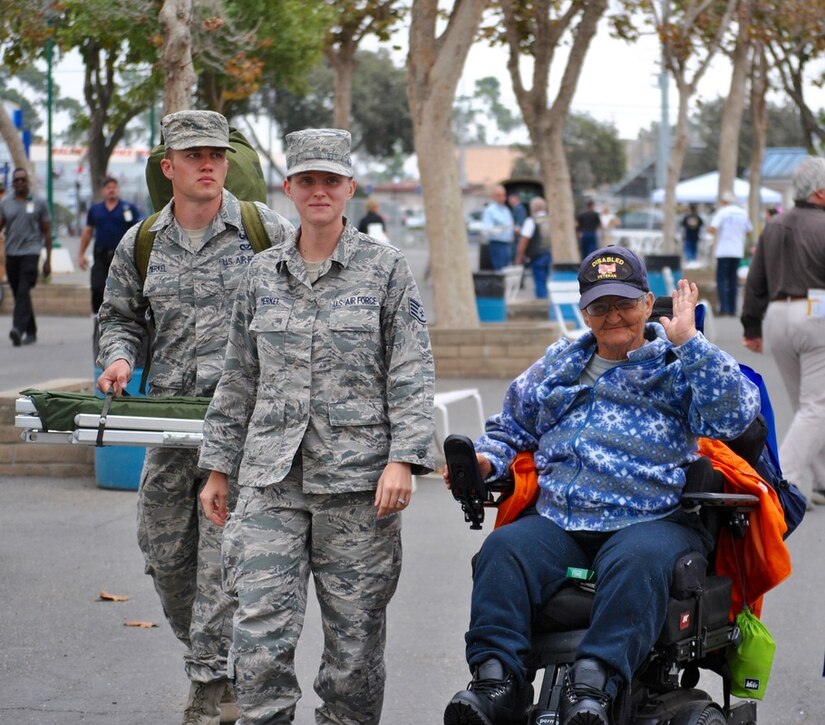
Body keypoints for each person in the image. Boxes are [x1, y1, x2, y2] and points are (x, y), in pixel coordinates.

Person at [443, 246, 760, 725]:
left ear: (647, 304)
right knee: (504, 550)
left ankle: (594, 687)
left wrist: (692, 343)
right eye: (599, 306)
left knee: (638, 559)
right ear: (584, 311)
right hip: (562, 522)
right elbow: (510, 427)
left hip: (650, 517)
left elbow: (735, 416)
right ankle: (496, 683)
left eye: (624, 304)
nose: (613, 316)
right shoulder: (559, 364)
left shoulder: (676, 364)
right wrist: (487, 461)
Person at [197, 128, 435, 724]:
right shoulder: (259, 274)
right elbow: (238, 378)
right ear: (290, 189)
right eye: (308, 181)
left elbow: (410, 368)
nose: (319, 191)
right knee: (256, 637)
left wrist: (404, 458)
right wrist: (217, 469)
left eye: (331, 180)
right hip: (270, 479)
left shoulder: (385, 269)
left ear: (350, 187)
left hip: (357, 485)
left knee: (354, 646)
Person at [96, 110, 293, 725]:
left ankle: (211, 690)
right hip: (170, 431)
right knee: (164, 553)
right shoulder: (144, 240)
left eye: (216, 153)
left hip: (243, 434)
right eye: (194, 155)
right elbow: (120, 316)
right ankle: (219, 662)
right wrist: (120, 360)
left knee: (220, 561)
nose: (208, 163)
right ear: (169, 167)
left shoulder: (266, 232)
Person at [742, 156, 825, 508]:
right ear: (821, 192)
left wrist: (750, 324)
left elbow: (756, 279)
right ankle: (782, 482)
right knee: (817, 406)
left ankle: (822, 481)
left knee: (809, 406)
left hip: (776, 316)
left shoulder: (774, 225)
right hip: (817, 312)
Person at [0, 167, 52, 347]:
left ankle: (17, 329)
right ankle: (31, 331)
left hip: (31, 252)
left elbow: (46, 232)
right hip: (12, 254)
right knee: (19, 294)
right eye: (17, 180)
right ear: (13, 183)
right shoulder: (5, 203)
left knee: (22, 291)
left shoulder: (39, 202)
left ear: (28, 181)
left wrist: (48, 261)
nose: (20, 182)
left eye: (23, 179)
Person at [77, 176, 142, 313]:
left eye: (114, 187)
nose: (111, 190)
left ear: (118, 190)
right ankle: (97, 315)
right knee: (97, 286)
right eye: (108, 187)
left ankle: (124, 317)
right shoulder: (95, 210)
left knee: (124, 289)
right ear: (103, 191)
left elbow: (138, 231)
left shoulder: (128, 208)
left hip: (122, 255)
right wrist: (81, 254)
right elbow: (88, 232)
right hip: (101, 254)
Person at [708, 191, 752, 316]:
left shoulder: (722, 212)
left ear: (724, 201)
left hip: (723, 250)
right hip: (737, 250)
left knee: (721, 280)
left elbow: (712, 229)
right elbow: (749, 231)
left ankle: (724, 308)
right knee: (733, 280)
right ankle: (733, 309)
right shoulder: (743, 213)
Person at [514, 196, 552, 299]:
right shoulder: (550, 220)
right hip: (549, 253)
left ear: (533, 208)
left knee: (539, 280)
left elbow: (524, 240)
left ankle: (542, 301)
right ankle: (545, 299)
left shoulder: (531, 221)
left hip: (537, 255)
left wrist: (519, 256)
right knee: (545, 279)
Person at [481, 184, 515, 270]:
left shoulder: (506, 210)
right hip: (496, 243)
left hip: (507, 244)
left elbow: (510, 225)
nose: (502, 198)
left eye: (504, 195)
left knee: (508, 269)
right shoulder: (490, 210)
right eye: (499, 195)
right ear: (494, 196)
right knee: (500, 270)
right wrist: (500, 229)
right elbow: (487, 229)